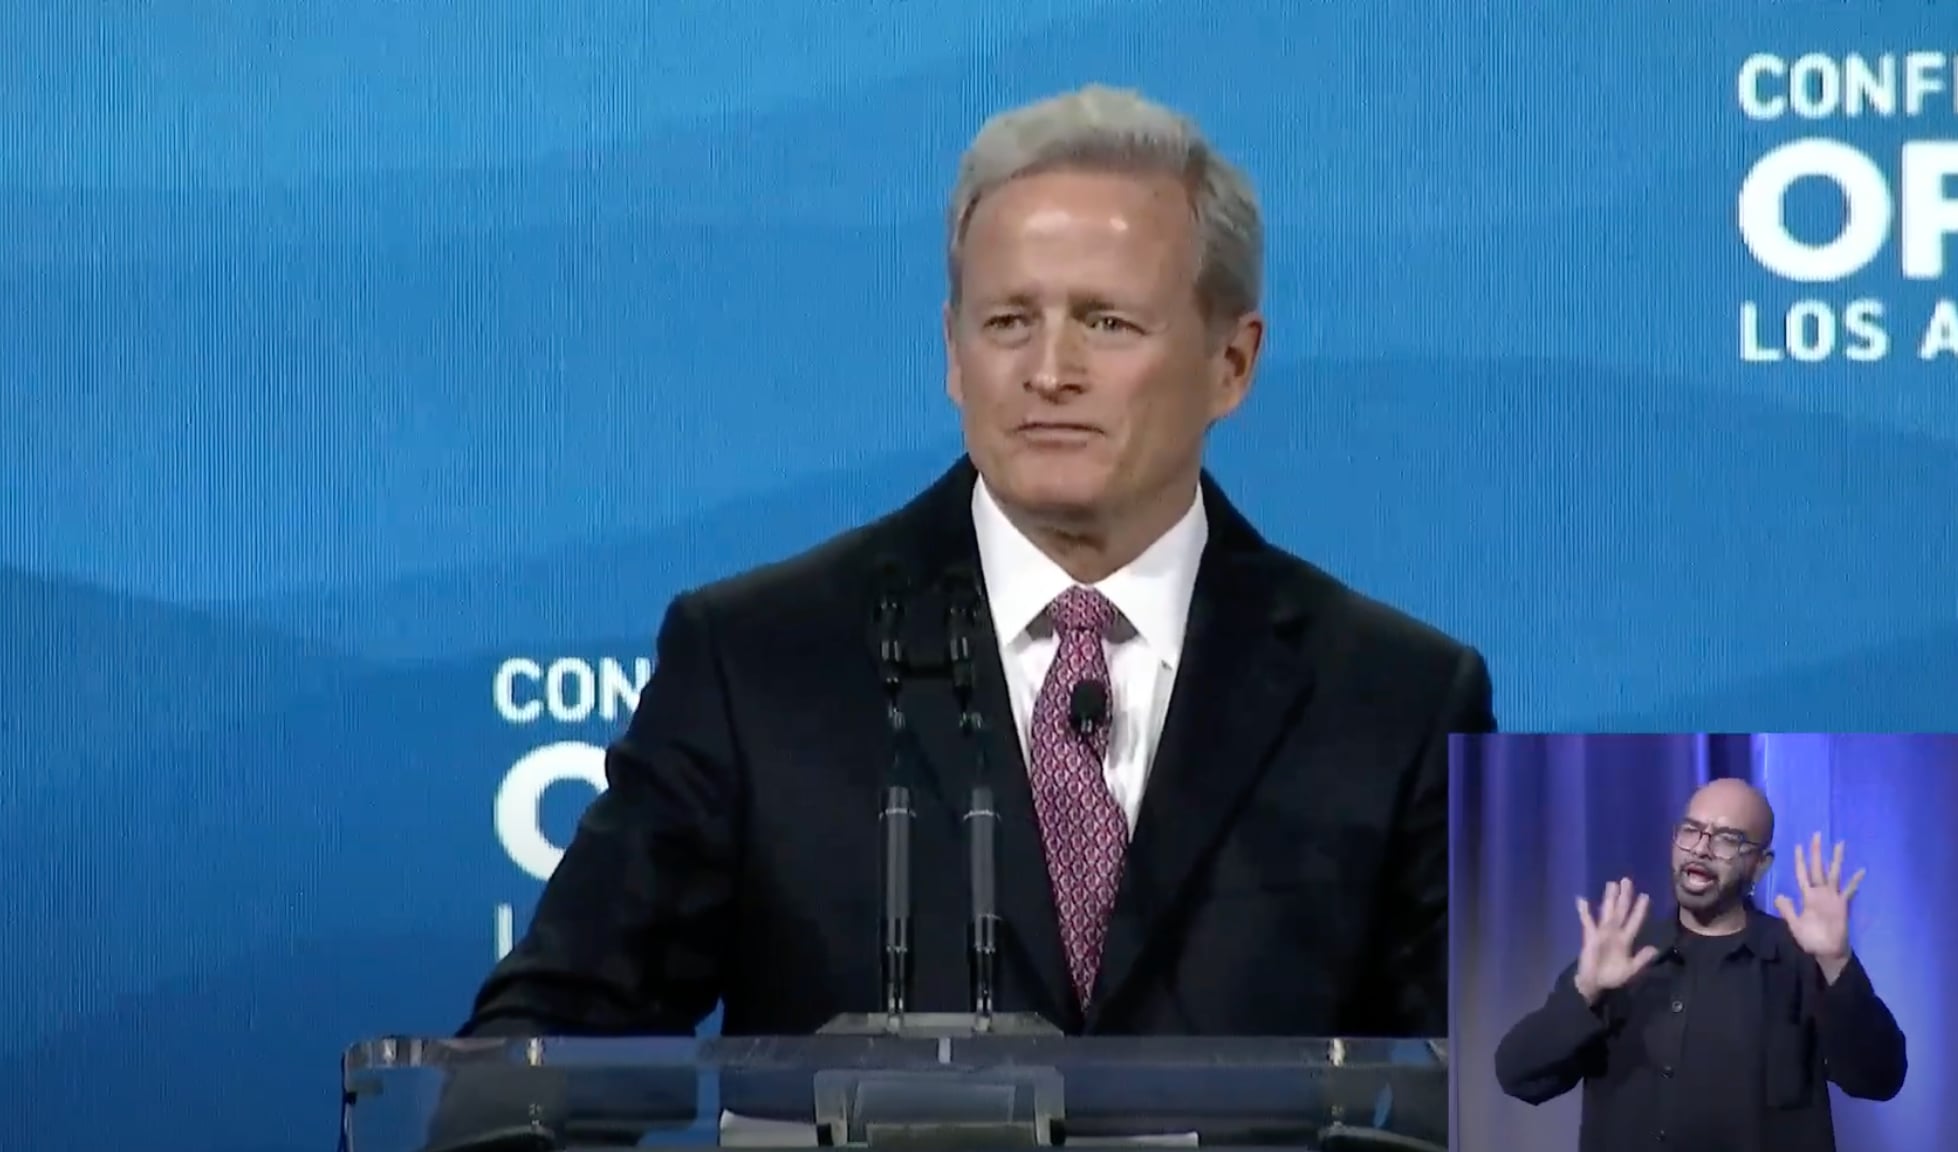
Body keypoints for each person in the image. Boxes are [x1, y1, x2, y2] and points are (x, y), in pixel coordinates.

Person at [461, 84, 1495, 1041]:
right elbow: (538, 1052)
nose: (1049, 371)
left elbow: (1491, 1102)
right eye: (1008, 322)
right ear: (955, 355)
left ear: (1231, 363)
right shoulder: (761, 663)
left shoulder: (1392, 703)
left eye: (1104, 321)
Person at [1493, 779, 1907, 1152]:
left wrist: (1836, 963)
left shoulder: (1799, 958)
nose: (1701, 848)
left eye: (1727, 838)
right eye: (1691, 830)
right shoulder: (1624, 959)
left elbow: (1878, 1078)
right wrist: (1585, 989)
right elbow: (1518, 1075)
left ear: (1760, 864)